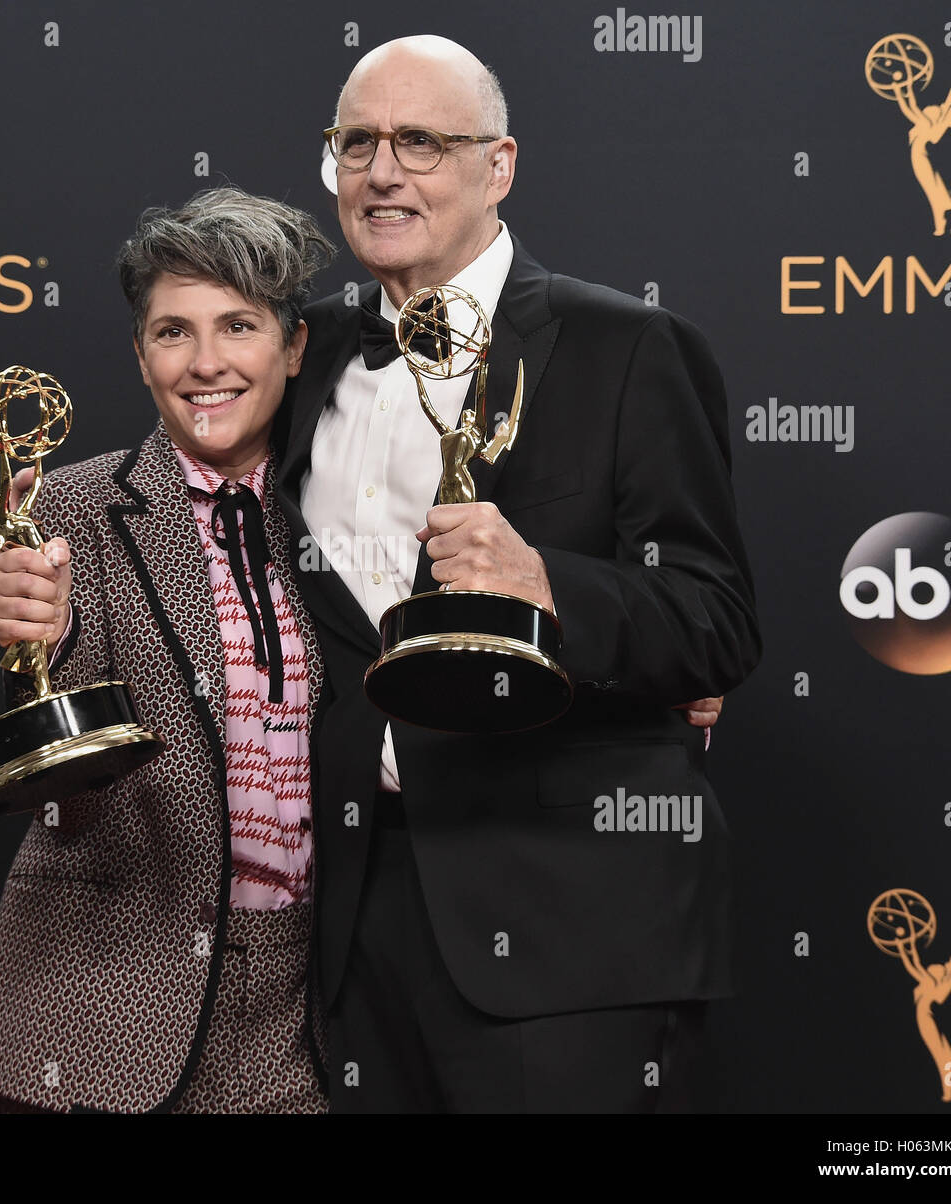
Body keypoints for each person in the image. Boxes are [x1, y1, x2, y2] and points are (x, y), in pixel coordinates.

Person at [272, 35, 761, 1112]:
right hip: (353, 929)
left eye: (421, 142)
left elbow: (715, 619)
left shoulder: (627, 345)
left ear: (497, 167)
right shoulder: (299, 357)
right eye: (356, 142)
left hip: (568, 925)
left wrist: (550, 585)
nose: (382, 169)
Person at [0, 187, 335, 1113]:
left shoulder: (344, 509)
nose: (206, 364)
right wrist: (41, 624)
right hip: (111, 1002)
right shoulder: (68, 510)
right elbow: (69, 761)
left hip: (311, 1015)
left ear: (293, 345)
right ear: (139, 353)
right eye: (172, 332)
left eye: (238, 326)